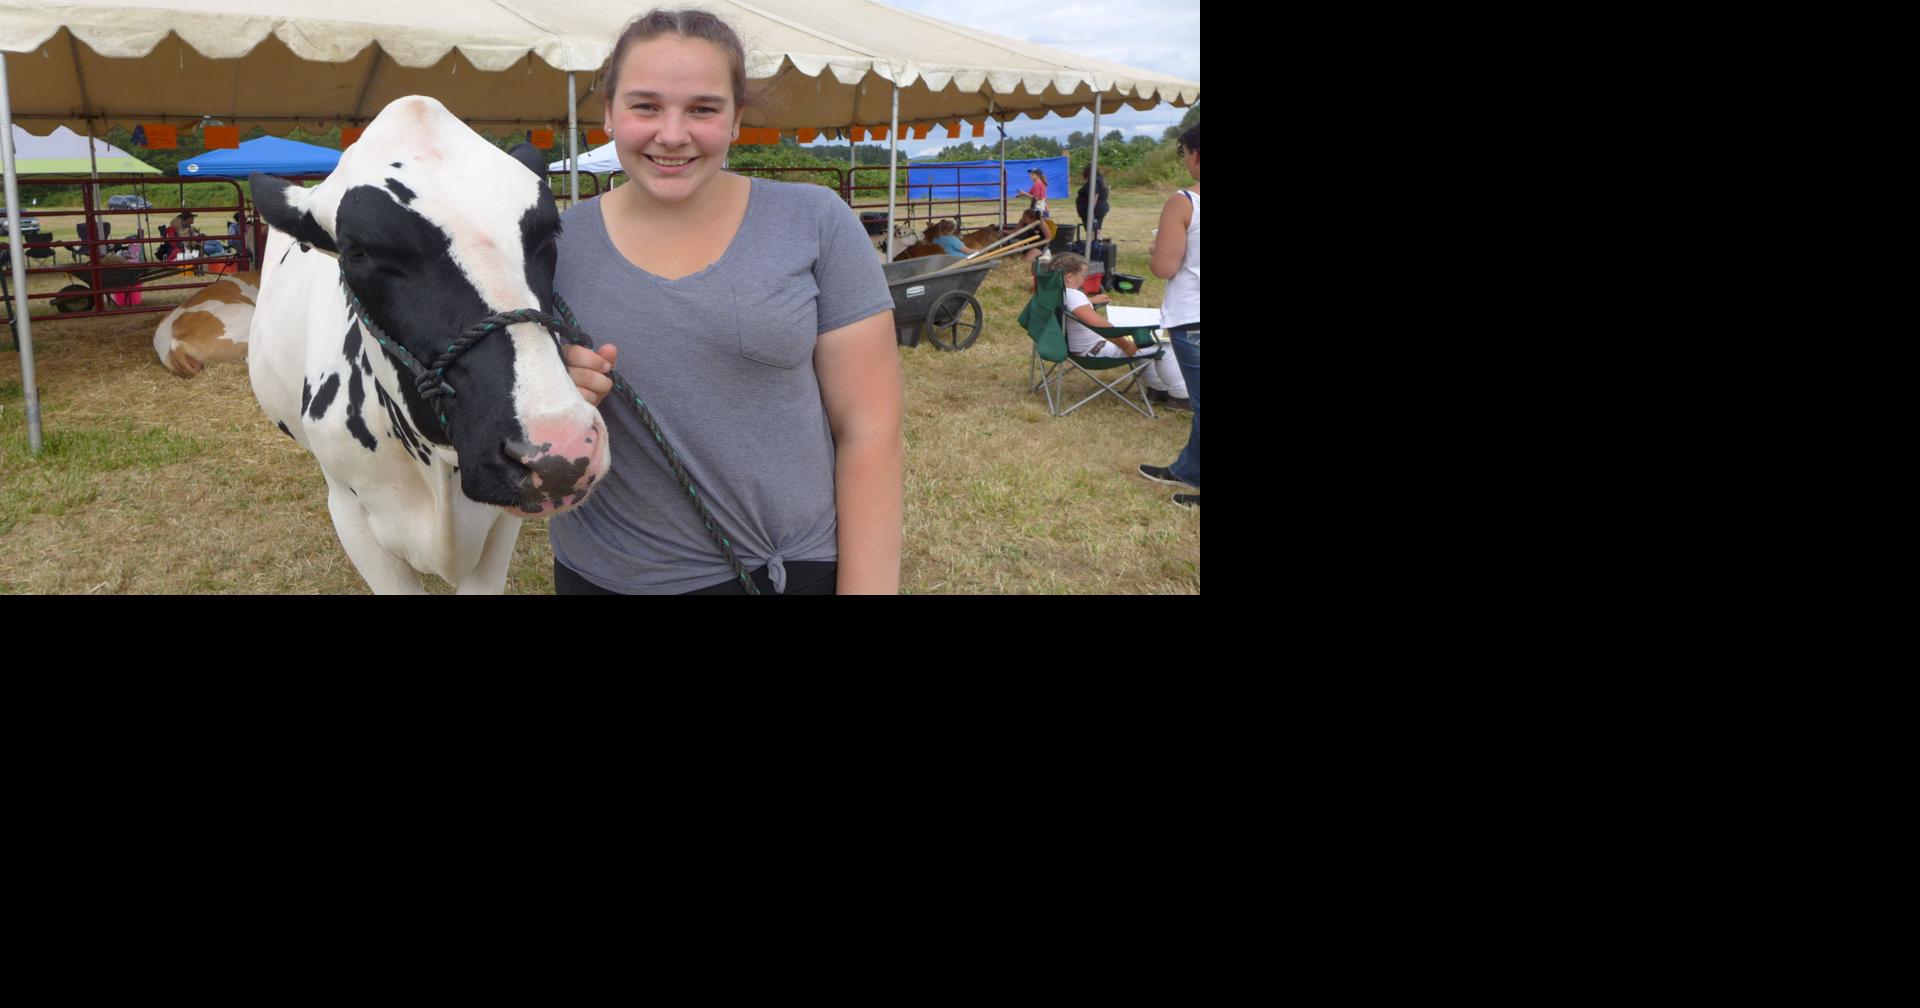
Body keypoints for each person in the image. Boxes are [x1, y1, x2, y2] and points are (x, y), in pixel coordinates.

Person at [555, 7, 903, 595]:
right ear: (609, 114)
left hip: (785, 572)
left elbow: (871, 429)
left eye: (703, 108)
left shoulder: (815, 223)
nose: (672, 134)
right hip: (601, 576)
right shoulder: (552, 245)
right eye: (645, 106)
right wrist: (550, 385)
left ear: (737, 119)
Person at [1137, 126, 1200, 510]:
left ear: (1194, 154)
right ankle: (1188, 469)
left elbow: (1163, 268)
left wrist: (1155, 251)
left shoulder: (1184, 202)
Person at [1049, 253, 1187, 408]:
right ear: (1069, 277)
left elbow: (1073, 308)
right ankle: (1180, 397)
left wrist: (1089, 302)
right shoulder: (1075, 295)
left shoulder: (1053, 291)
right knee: (1164, 348)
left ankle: (1157, 390)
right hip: (1095, 352)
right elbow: (1101, 327)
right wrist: (1125, 345)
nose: (1084, 280)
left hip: (1073, 349)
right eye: (1083, 276)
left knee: (1143, 344)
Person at [1075, 165, 1110, 235]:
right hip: (1101, 207)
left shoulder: (1093, 180)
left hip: (1094, 209)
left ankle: (1094, 244)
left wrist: (1091, 209)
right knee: (1097, 229)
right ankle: (1097, 243)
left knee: (1092, 230)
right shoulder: (1100, 180)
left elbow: (1095, 193)